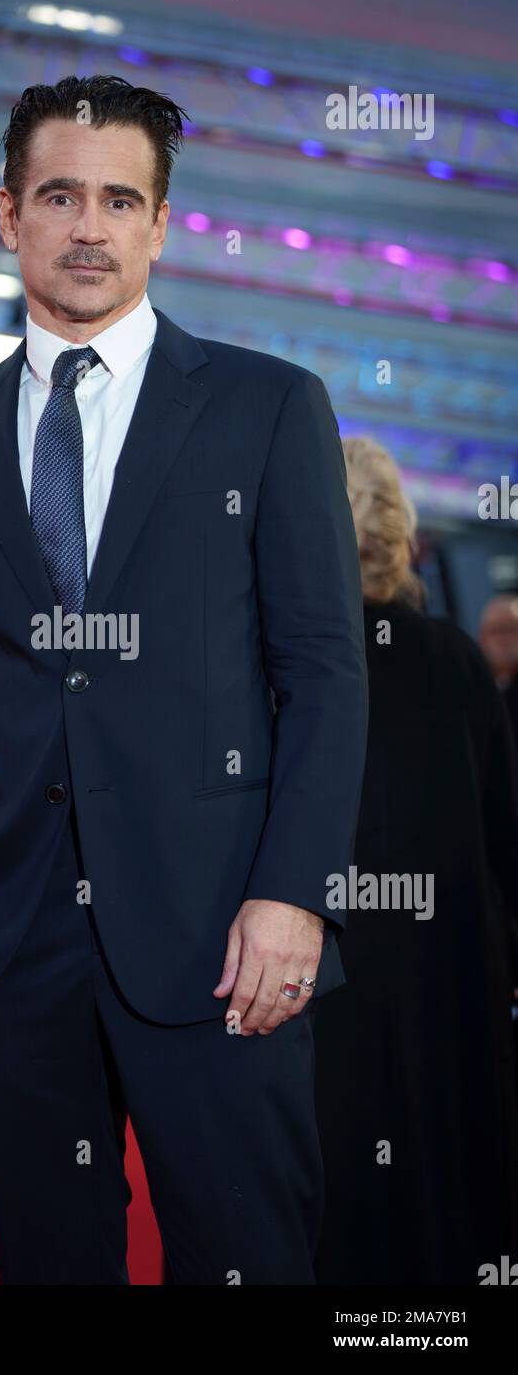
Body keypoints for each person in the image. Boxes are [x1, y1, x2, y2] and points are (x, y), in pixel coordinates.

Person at [0, 74, 368, 1285]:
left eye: (118, 199)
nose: (88, 226)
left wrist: (292, 895)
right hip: (3, 949)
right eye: (58, 195)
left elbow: (322, 670)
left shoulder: (266, 409)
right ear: (6, 214)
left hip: (223, 944)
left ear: (157, 223)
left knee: (247, 1259)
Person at [312, 435, 518, 1285]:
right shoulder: (459, 663)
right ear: (403, 538)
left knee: (332, 1198)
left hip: (319, 988)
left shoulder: (287, 665)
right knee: (444, 1198)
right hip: (452, 986)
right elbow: (505, 839)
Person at [479, 594, 518, 743]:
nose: (501, 638)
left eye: (509, 628)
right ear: (482, 638)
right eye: (494, 630)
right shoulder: (478, 689)